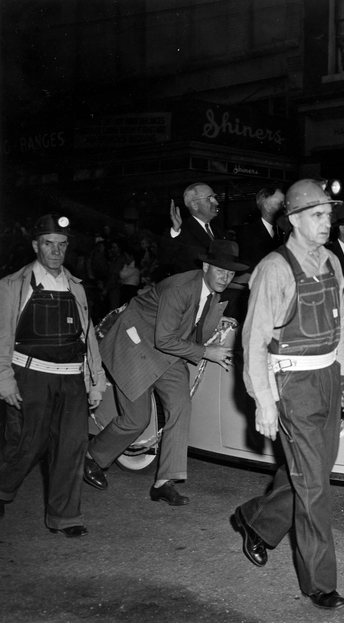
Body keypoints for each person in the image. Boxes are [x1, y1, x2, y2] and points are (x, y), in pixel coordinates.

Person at [233, 178, 344, 611]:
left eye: (329, 215)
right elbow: (254, 341)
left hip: (326, 377)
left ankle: (257, 521)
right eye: (318, 216)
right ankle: (320, 583)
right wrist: (264, 402)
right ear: (295, 221)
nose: (327, 223)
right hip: (293, 387)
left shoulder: (333, 263)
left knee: (311, 475)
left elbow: (339, 329)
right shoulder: (274, 268)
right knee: (316, 490)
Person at [83, 240, 247, 504]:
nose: (226, 278)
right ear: (206, 266)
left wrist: (216, 327)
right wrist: (207, 352)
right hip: (136, 347)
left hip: (168, 354)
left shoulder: (212, 294)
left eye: (230, 273)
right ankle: (91, 458)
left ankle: (164, 482)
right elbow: (165, 339)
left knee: (181, 407)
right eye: (220, 271)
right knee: (136, 420)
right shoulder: (180, 288)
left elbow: (188, 329)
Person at [0, 214, 106, 535]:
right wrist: (4, 379)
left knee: (72, 446)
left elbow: (87, 337)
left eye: (62, 245)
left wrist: (96, 380)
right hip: (30, 376)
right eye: (49, 244)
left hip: (72, 378)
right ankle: (2, 489)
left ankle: (65, 517)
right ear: (36, 246)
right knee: (26, 444)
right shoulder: (12, 286)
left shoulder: (76, 286)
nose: (56, 251)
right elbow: (2, 335)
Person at [164, 183, 225, 274]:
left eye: (215, 197)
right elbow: (166, 260)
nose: (216, 202)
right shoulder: (182, 231)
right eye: (210, 198)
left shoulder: (220, 231)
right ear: (194, 205)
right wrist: (176, 231)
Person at [236, 184, 285, 270]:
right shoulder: (247, 233)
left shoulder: (284, 231)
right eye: (280, 204)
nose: (285, 209)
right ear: (267, 207)